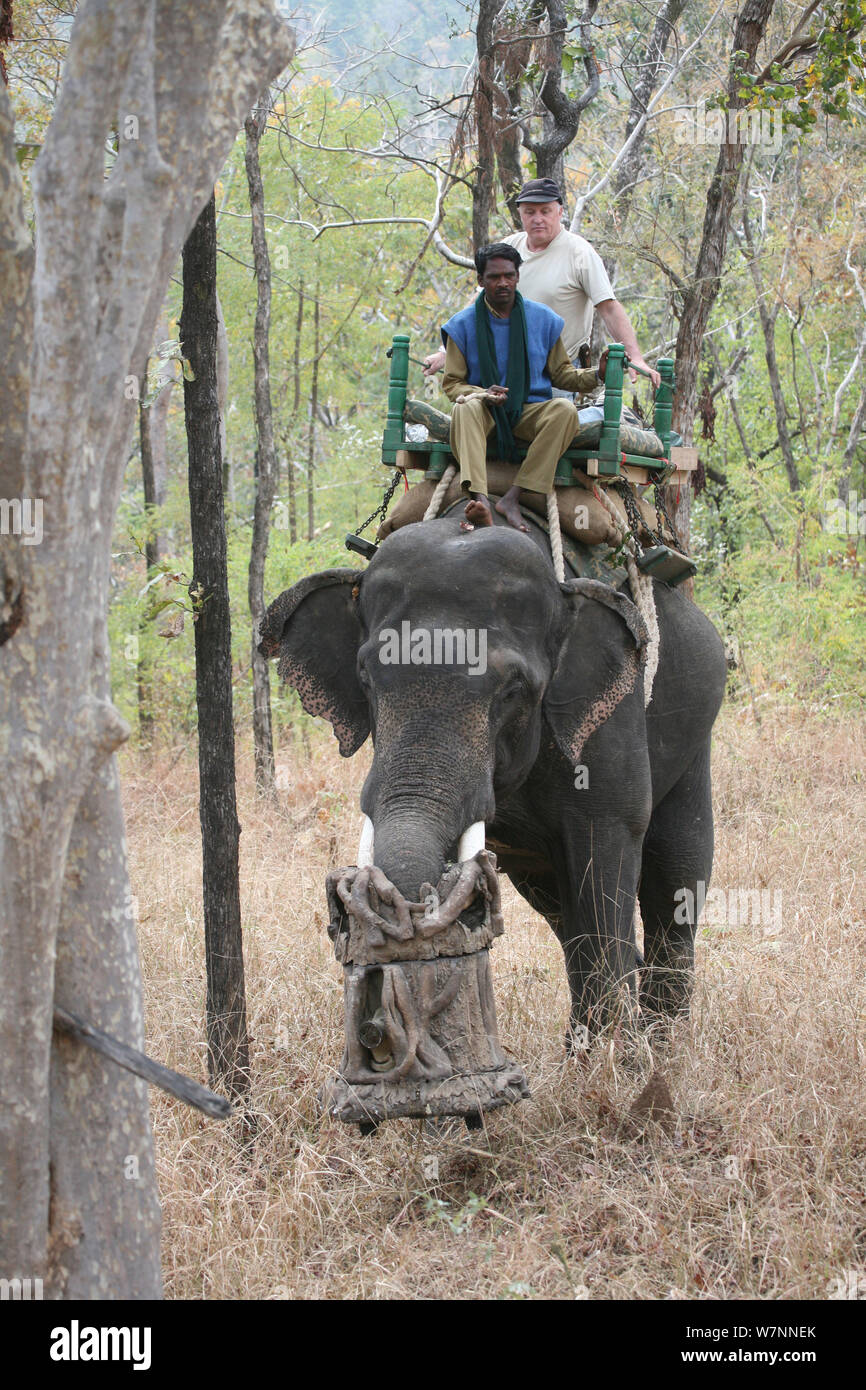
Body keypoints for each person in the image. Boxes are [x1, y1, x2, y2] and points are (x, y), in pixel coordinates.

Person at [425, 177, 660, 391]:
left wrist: (635, 356)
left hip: (559, 371)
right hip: (506, 370)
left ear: (559, 212)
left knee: (555, 428)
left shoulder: (579, 253)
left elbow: (608, 307)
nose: (538, 219)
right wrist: (445, 353)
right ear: (521, 214)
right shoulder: (509, 248)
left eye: (545, 211)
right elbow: (478, 306)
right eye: (530, 212)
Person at [441, 242, 605, 532]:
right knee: (463, 409)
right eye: (493, 277)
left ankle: (514, 498)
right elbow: (453, 384)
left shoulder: (543, 320)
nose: (502, 282)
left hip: (529, 411)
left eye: (508, 275)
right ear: (481, 280)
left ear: (518, 277)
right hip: (484, 414)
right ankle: (481, 502)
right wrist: (482, 395)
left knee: (565, 410)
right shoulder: (461, 326)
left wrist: (597, 375)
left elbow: (562, 375)